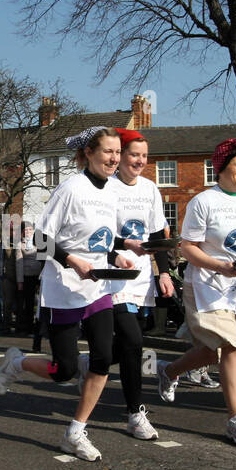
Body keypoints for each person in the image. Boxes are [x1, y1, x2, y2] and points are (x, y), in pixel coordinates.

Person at [0, 126, 129, 460]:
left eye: (117, 152)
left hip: (97, 288)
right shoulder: (70, 189)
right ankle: (18, 362)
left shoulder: (114, 191)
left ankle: (75, 432)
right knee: (64, 371)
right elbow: (40, 239)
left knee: (103, 358)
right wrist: (72, 261)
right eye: (107, 152)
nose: (114, 158)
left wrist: (117, 256)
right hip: (63, 290)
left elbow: (102, 241)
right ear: (89, 154)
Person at [156, 136, 236, 443]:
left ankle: (170, 370)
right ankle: (235, 420)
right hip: (206, 284)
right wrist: (218, 266)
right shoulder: (205, 202)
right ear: (223, 168)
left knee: (215, 353)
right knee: (235, 347)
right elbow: (187, 248)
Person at [100, 127, 173, 439]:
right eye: (134, 155)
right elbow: (96, 232)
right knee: (133, 341)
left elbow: (157, 235)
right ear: (121, 157)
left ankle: (92, 364)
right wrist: (119, 251)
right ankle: (134, 414)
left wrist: (165, 272)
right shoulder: (106, 188)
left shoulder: (150, 189)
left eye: (144, 156)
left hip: (141, 275)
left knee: (129, 343)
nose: (140, 161)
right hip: (111, 274)